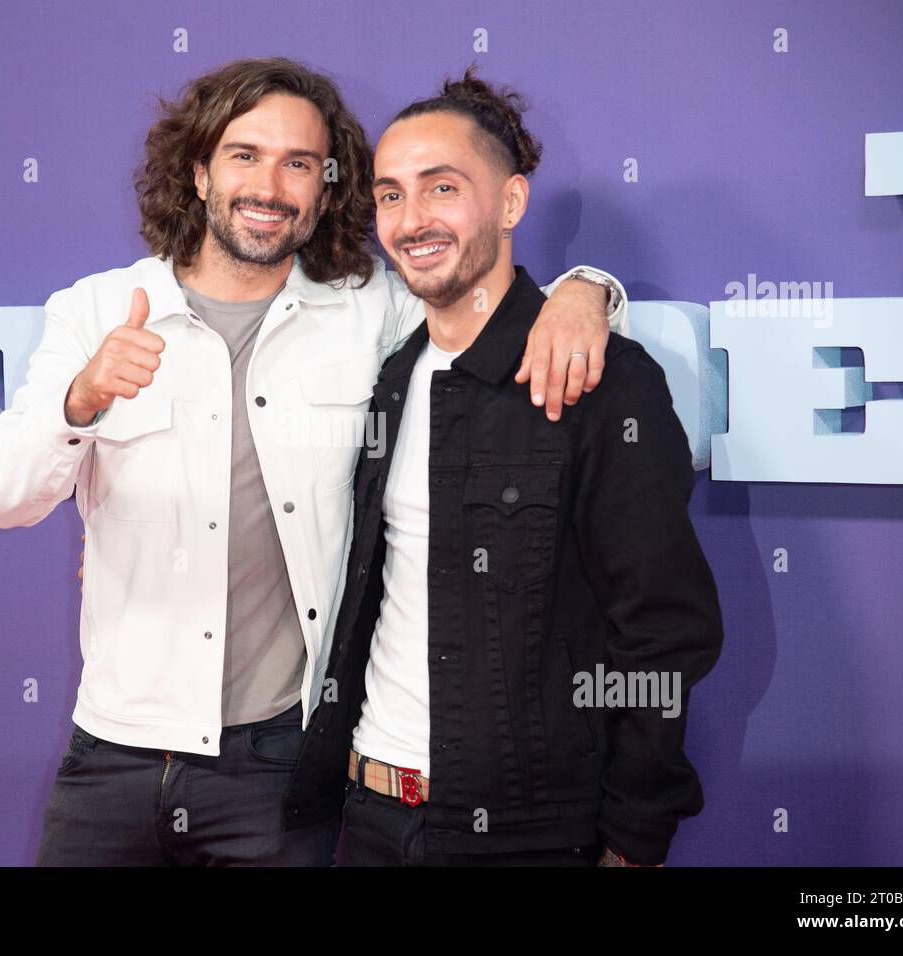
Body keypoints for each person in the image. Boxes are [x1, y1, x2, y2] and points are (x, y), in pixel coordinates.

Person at [0, 57, 627, 866]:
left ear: (327, 186)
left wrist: (586, 290)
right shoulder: (95, 309)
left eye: (299, 164)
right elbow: (4, 496)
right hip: (114, 753)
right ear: (199, 170)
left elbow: (483, 303)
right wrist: (82, 399)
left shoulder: (369, 309)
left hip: (282, 765)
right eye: (244, 155)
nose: (270, 185)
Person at [280, 67, 724, 867]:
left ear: (512, 202)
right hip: (368, 815)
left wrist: (635, 837)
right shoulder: (389, 375)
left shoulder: (601, 380)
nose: (412, 219)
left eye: (442, 187)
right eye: (389, 195)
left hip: (525, 836)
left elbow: (663, 633)